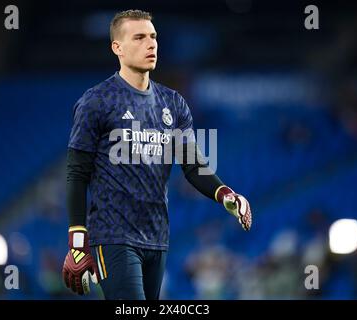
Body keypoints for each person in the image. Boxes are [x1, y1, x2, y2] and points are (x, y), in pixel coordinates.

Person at [62, 9, 252, 300]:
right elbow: (77, 172)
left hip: (157, 238)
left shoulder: (173, 103)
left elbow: (193, 166)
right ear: (118, 47)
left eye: (153, 37)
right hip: (112, 236)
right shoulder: (96, 101)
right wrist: (77, 241)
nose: (150, 44)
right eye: (139, 37)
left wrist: (225, 193)